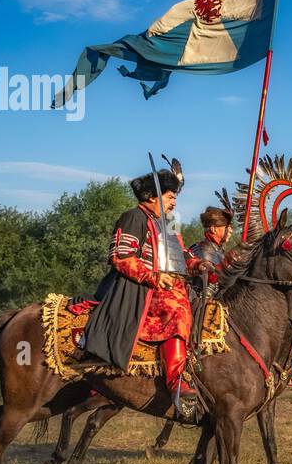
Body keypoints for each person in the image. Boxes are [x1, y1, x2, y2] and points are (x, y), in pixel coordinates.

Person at [81, 159, 207, 415]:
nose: (174, 202)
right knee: (176, 309)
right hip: (140, 288)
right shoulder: (133, 217)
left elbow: (181, 255)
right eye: (170, 197)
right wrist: (153, 277)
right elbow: (121, 257)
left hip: (171, 284)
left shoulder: (169, 223)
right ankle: (177, 382)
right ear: (152, 197)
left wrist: (198, 264)